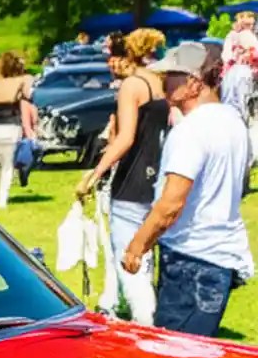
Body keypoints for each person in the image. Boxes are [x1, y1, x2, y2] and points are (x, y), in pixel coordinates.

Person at [123, 42, 254, 337]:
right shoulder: (233, 122)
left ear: (194, 83)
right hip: (218, 259)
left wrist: (137, 246)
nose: (164, 82)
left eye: (172, 75)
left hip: (191, 262)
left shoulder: (191, 130)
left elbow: (171, 203)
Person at [76, 28, 167, 325]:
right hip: (159, 180)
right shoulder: (163, 84)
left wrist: (94, 173)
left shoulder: (133, 86)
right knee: (146, 256)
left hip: (131, 182)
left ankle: (146, 328)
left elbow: (125, 138)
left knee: (129, 262)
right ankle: (147, 317)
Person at [0, 52, 36, 207]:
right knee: (7, 166)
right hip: (11, 129)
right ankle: (2, 200)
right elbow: (30, 95)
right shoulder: (21, 81)